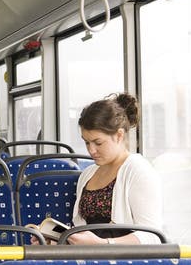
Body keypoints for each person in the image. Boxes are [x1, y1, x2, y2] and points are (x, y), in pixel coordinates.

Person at [67, 92, 162, 245]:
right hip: (89, 256)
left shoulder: (138, 171)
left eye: (98, 143)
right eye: (87, 142)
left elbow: (152, 237)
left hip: (123, 258)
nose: (91, 150)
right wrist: (60, 242)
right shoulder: (87, 174)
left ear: (119, 135)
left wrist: (103, 245)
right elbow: (83, 234)